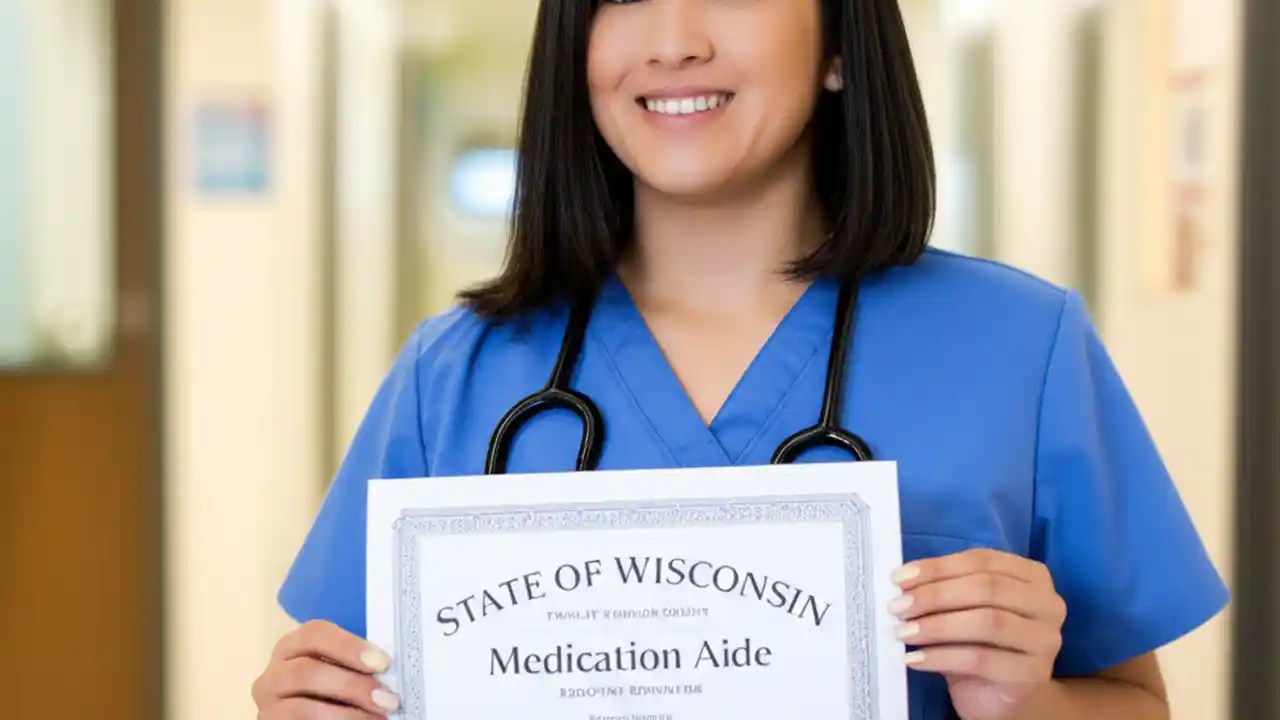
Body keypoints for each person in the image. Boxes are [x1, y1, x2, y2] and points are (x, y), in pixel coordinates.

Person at [251, 0, 1229, 717]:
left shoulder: (1018, 347)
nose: (673, 38)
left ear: (840, 45)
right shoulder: (454, 374)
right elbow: (351, 678)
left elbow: (1131, 702)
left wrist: (1024, 703)